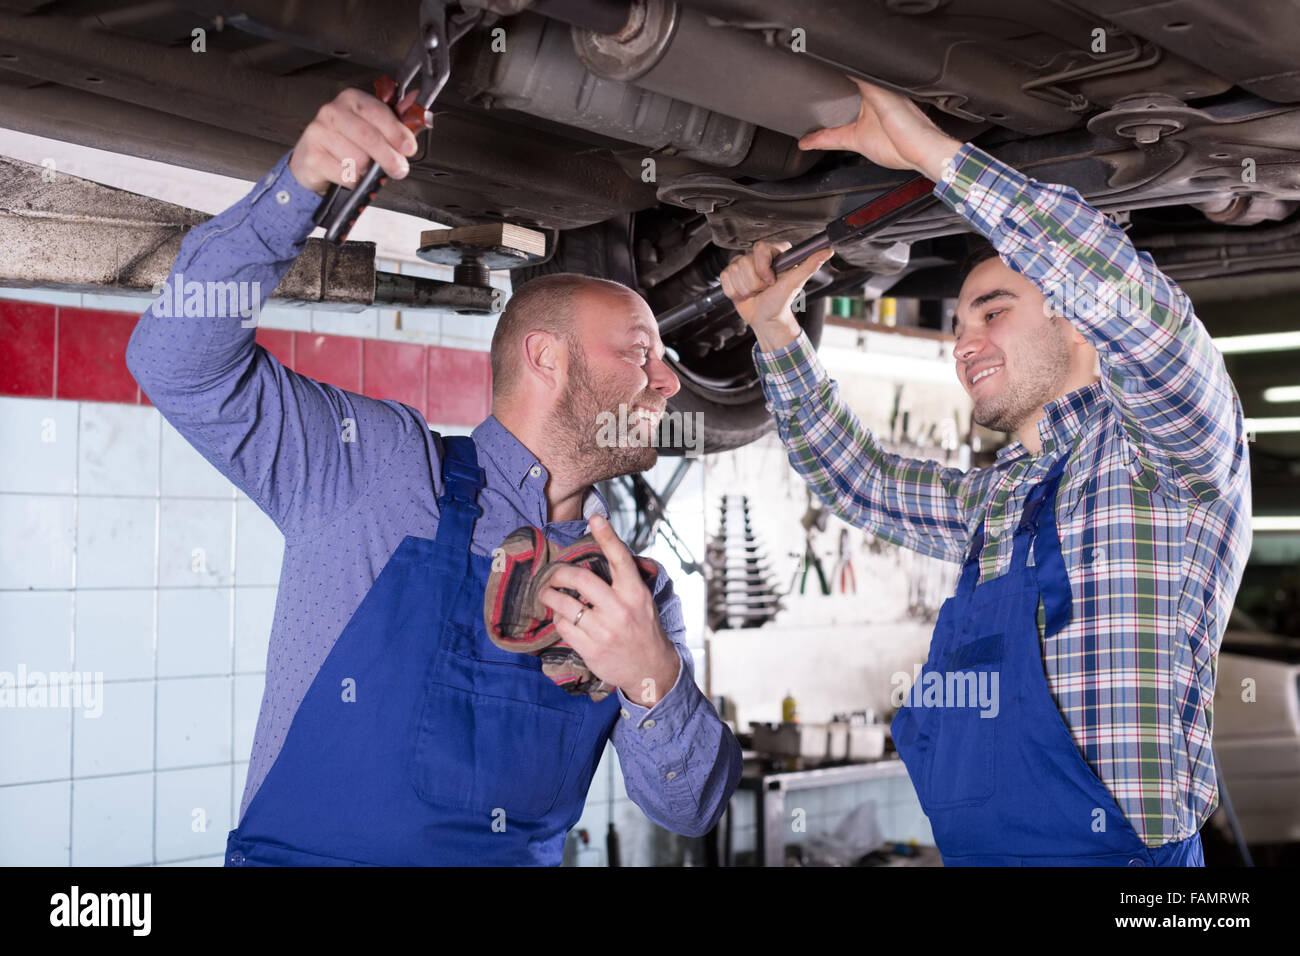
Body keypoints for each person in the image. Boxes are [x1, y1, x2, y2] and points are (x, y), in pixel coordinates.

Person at [126, 87, 742, 867]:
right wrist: (299, 186)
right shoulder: (375, 468)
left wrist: (651, 676)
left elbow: (691, 810)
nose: (670, 383)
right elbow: (174, 362)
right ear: (545, 359)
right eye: (640, 353)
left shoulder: (632, 592)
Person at [720, 78, 1251, 866]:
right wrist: (774, 331)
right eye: (958, 322)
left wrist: (933, 154)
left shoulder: (1168, 455)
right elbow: (858, 480)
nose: (963, 341)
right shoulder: (998, 501)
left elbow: (1135, 306)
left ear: (1073, 316)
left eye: (992, 311)